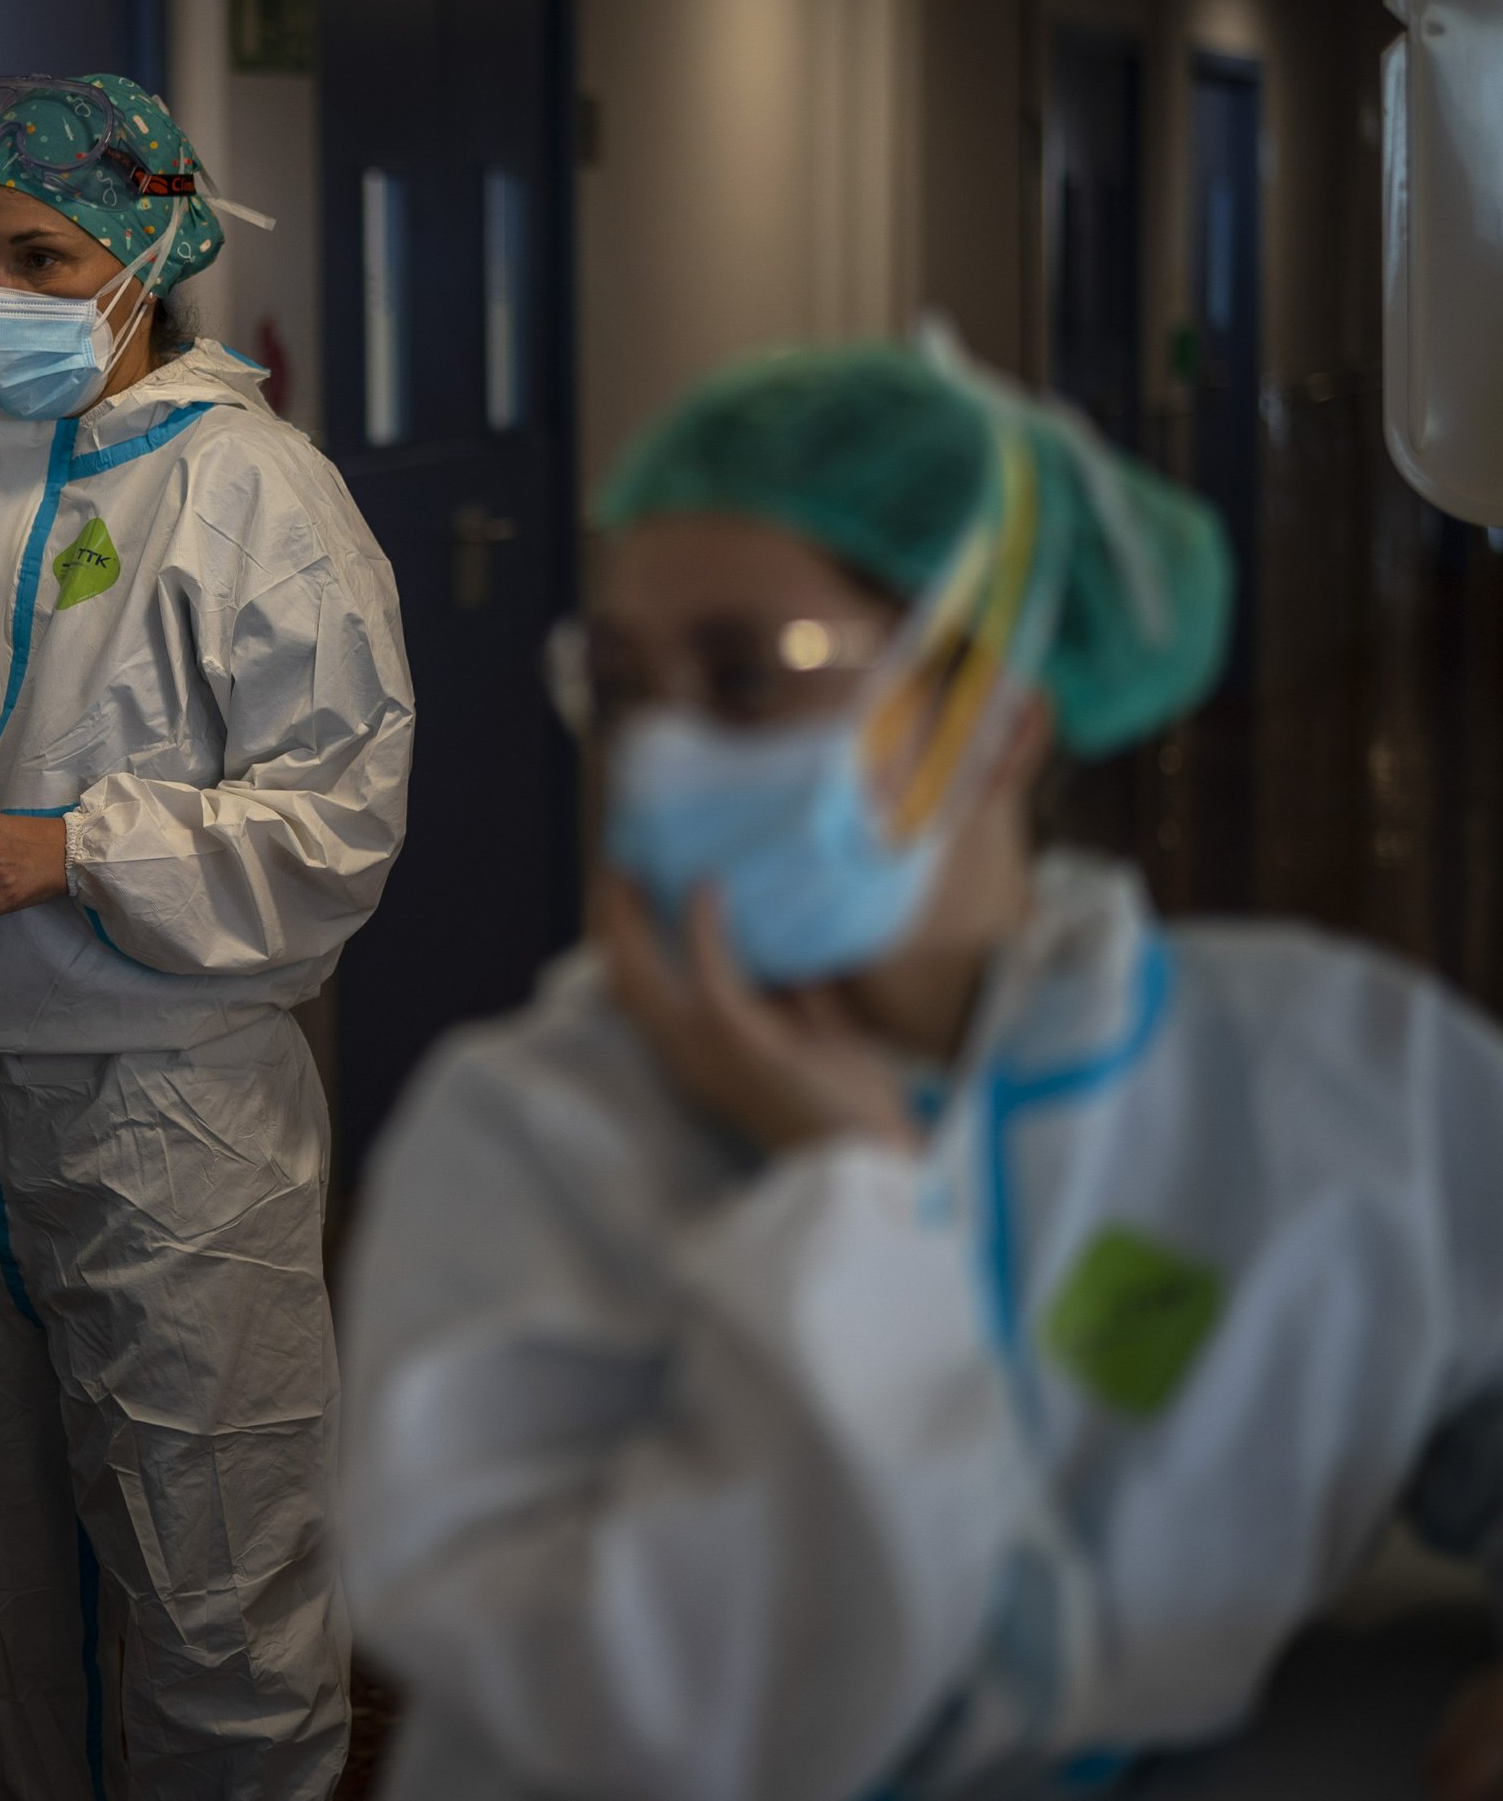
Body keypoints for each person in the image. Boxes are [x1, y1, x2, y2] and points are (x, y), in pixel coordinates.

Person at [337, 335, 1503, 1800]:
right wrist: (852, 1202)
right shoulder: (536, 1129)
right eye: (626, 682)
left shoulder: (1334, 1080)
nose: (662, 750)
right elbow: (640, 1717)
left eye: (749, 677)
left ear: (1000, 720)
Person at [0, 71, 416, 1800]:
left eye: (40, 258)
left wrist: (77, 851)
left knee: (215, 1604)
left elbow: (337, 828)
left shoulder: (259, 492)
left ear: (147, 257)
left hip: (160, 1131)